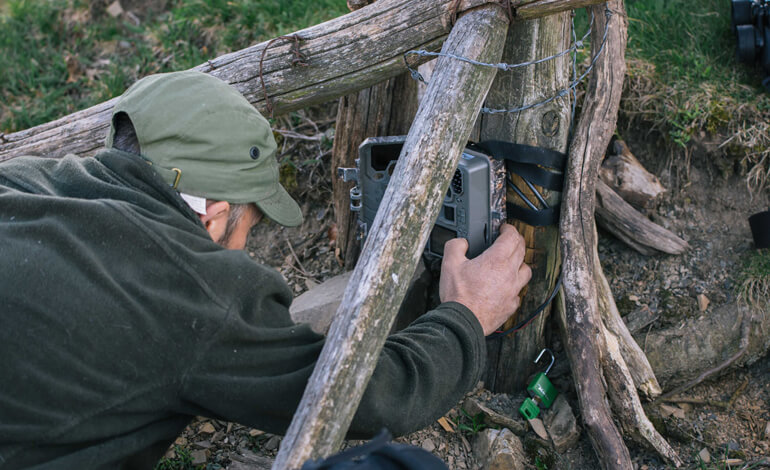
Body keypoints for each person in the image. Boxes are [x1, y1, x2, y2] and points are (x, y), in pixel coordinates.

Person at [0, 71, 531, 469]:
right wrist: (466, 313)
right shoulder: (193, 293)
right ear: (214, 216)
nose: (245, 250)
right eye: (250, 227)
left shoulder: (21, 178)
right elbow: (372, 395)